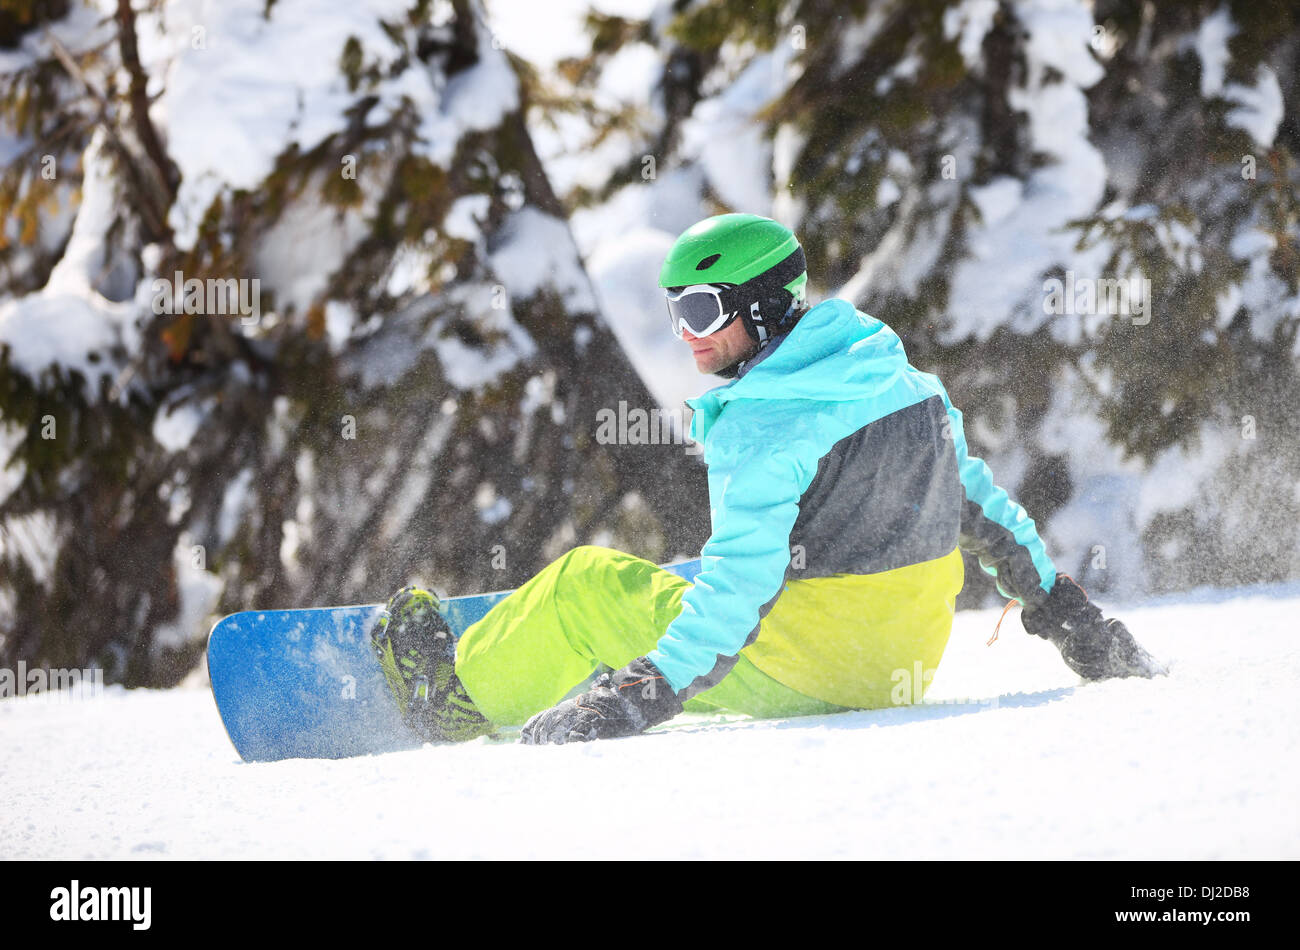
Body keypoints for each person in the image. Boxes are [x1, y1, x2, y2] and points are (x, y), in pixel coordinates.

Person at [369, 213, 1163, 746]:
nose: (688, 335)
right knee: (697, 576)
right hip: (910, 655)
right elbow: (983, 508)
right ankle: (598, 646)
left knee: (586, 582)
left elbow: (742, 587)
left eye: (705, 309)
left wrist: (637, 697)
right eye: (677, 310)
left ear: (764, 306)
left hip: (818, 669)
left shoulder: (762, 420)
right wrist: (1075, 622)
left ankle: (452, 695)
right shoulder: (900, 378)